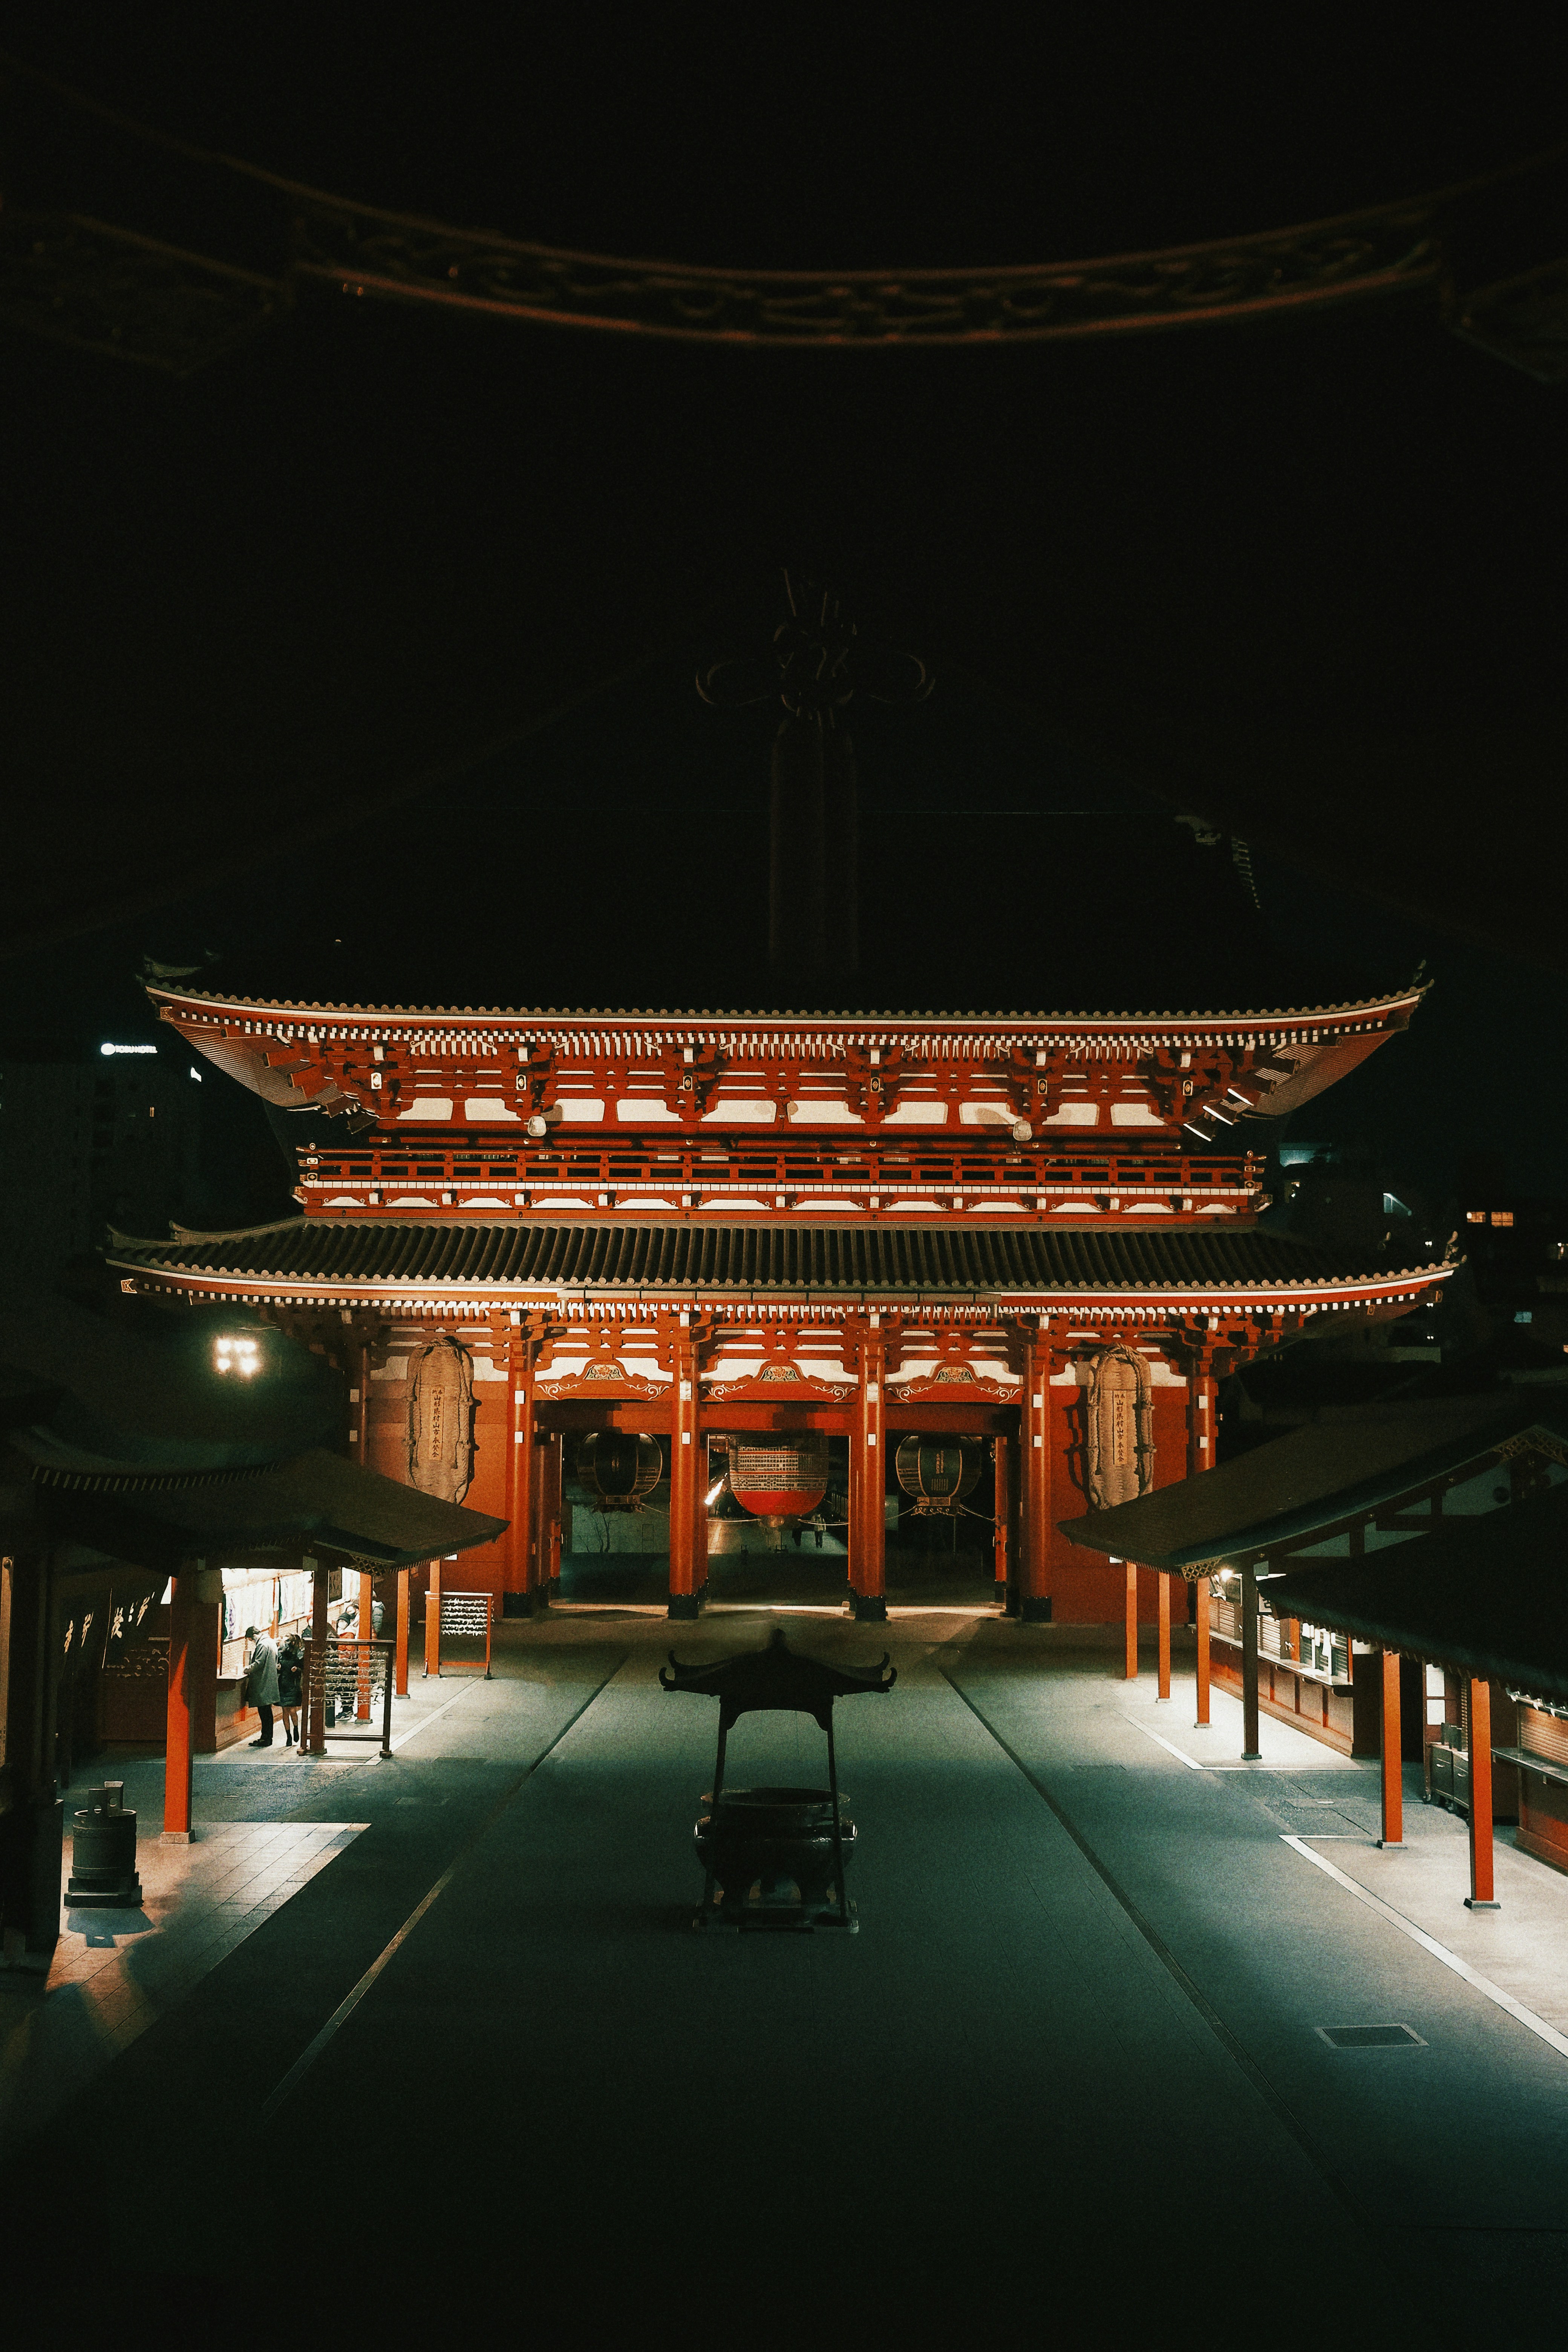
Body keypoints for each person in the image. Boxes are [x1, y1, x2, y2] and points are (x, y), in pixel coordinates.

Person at [244, 1624, 280, 1748]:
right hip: (269, 1681)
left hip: (263, 1683)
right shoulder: (271, 1641)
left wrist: (247, 1669)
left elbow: (259, 1663)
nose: (252, 1642)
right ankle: (266, 1737)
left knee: (264, 1713)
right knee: (267, 1712)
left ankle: (266, 1738)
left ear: (254, 1636)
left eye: (251, 1640)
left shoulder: (262, 1645)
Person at [276, 1632, 304, 1748]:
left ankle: (296, 1729)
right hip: (283, 1684)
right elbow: (278, 1668)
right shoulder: (280, 1655)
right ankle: (288, 1736)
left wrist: (296, 1670)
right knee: (285, 1711)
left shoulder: (298, 1654)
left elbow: (303, 1669)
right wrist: (279, 1668)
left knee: (293, 1710)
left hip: (294, 1685)